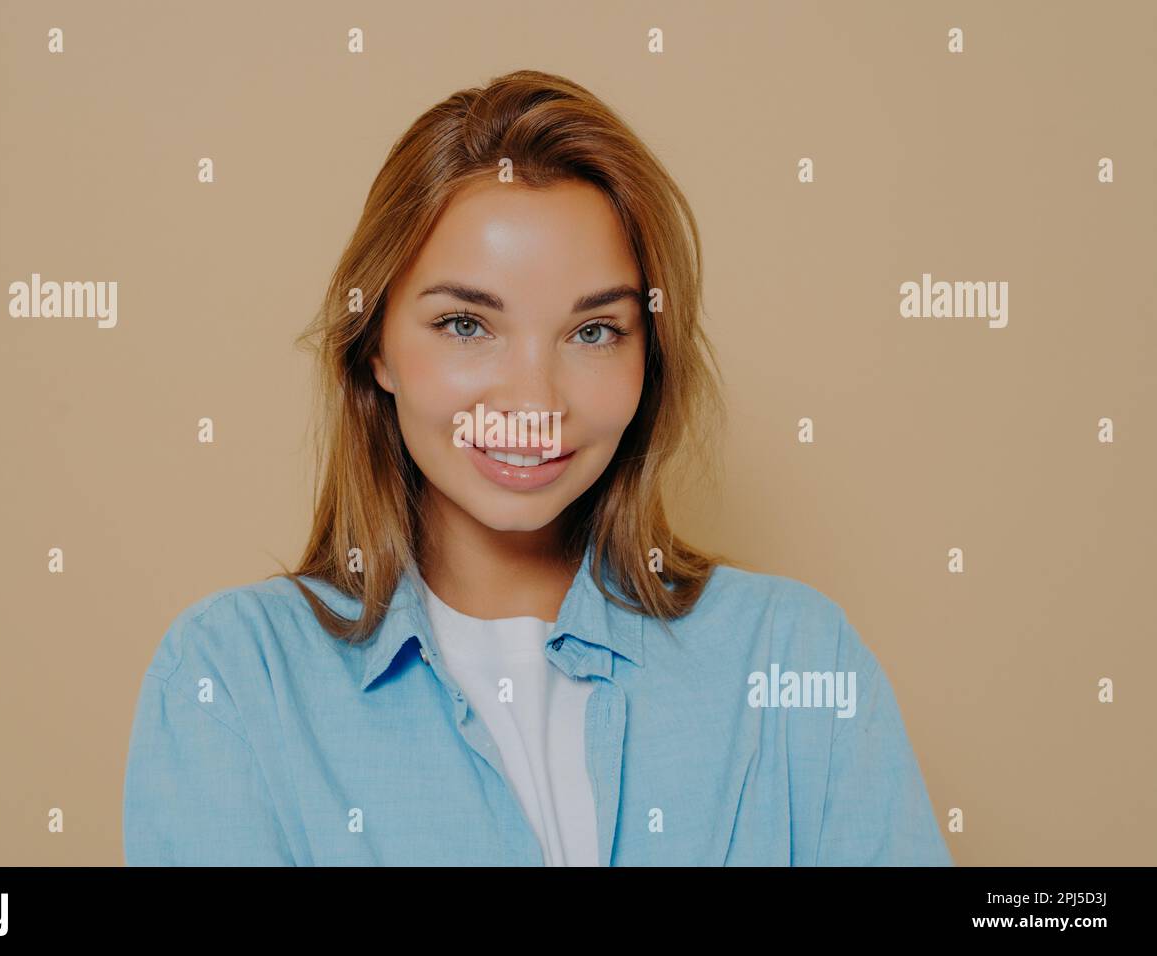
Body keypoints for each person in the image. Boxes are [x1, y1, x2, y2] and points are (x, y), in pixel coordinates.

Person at [122, 69, 952, 866]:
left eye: (593, 332)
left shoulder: (796, 658)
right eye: (465, 324)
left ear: (647, 361)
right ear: (377, 344)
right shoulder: (232, 679)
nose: (532, 397)